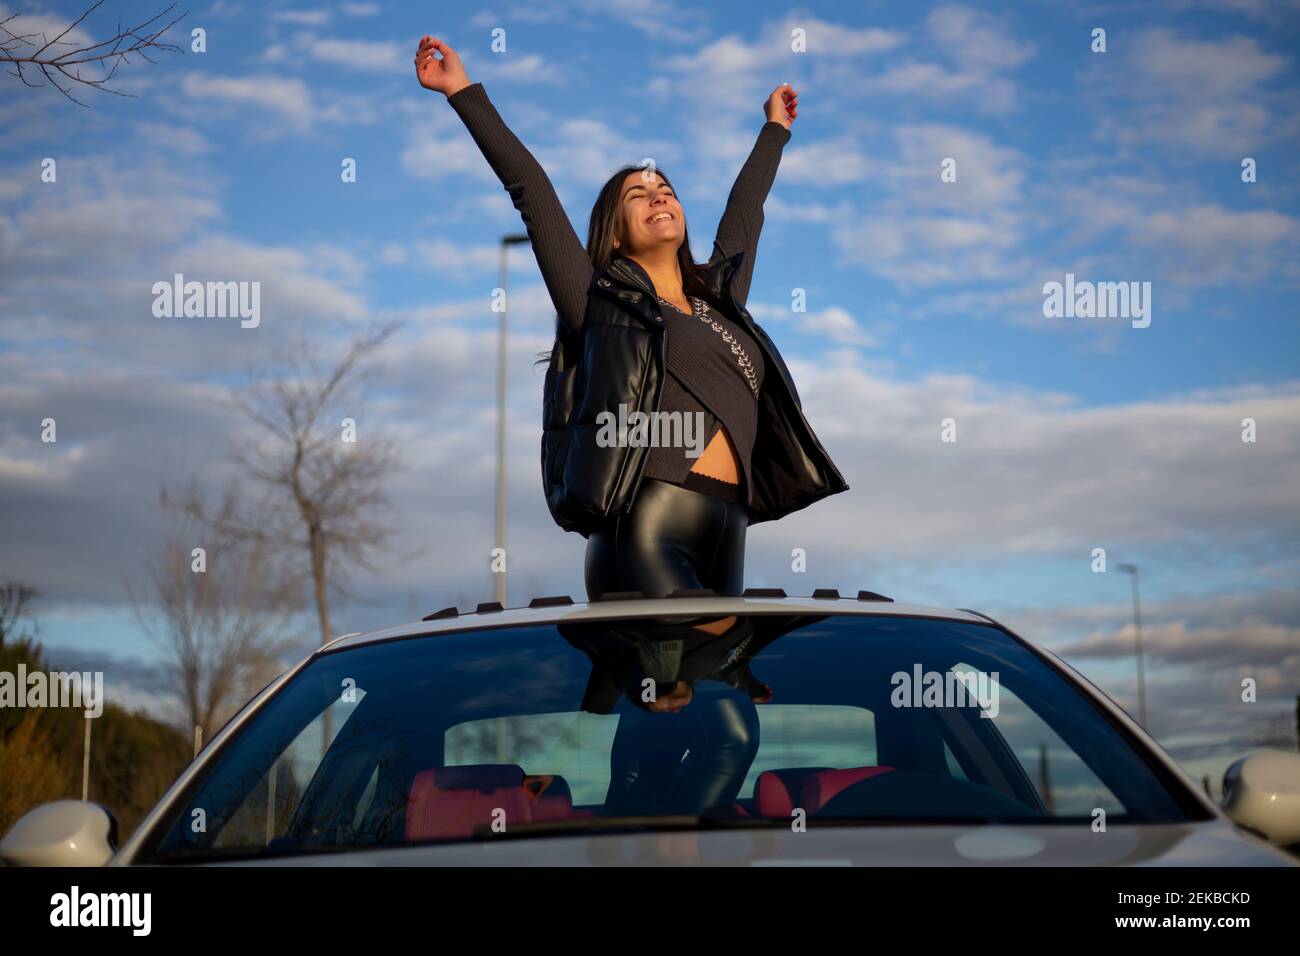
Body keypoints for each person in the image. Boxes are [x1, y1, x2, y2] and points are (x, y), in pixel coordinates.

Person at [415, 35, 848, 600]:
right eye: (638, 196)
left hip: (730, 528)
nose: (658, 197)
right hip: (647, 526)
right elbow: (532, 190)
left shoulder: (720, 300)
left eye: (664, 189)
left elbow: (746, 213)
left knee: (721, 688)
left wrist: (774, 131)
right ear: (615, 230)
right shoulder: (599, 304)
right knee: (677, 670)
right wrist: (462, 92)